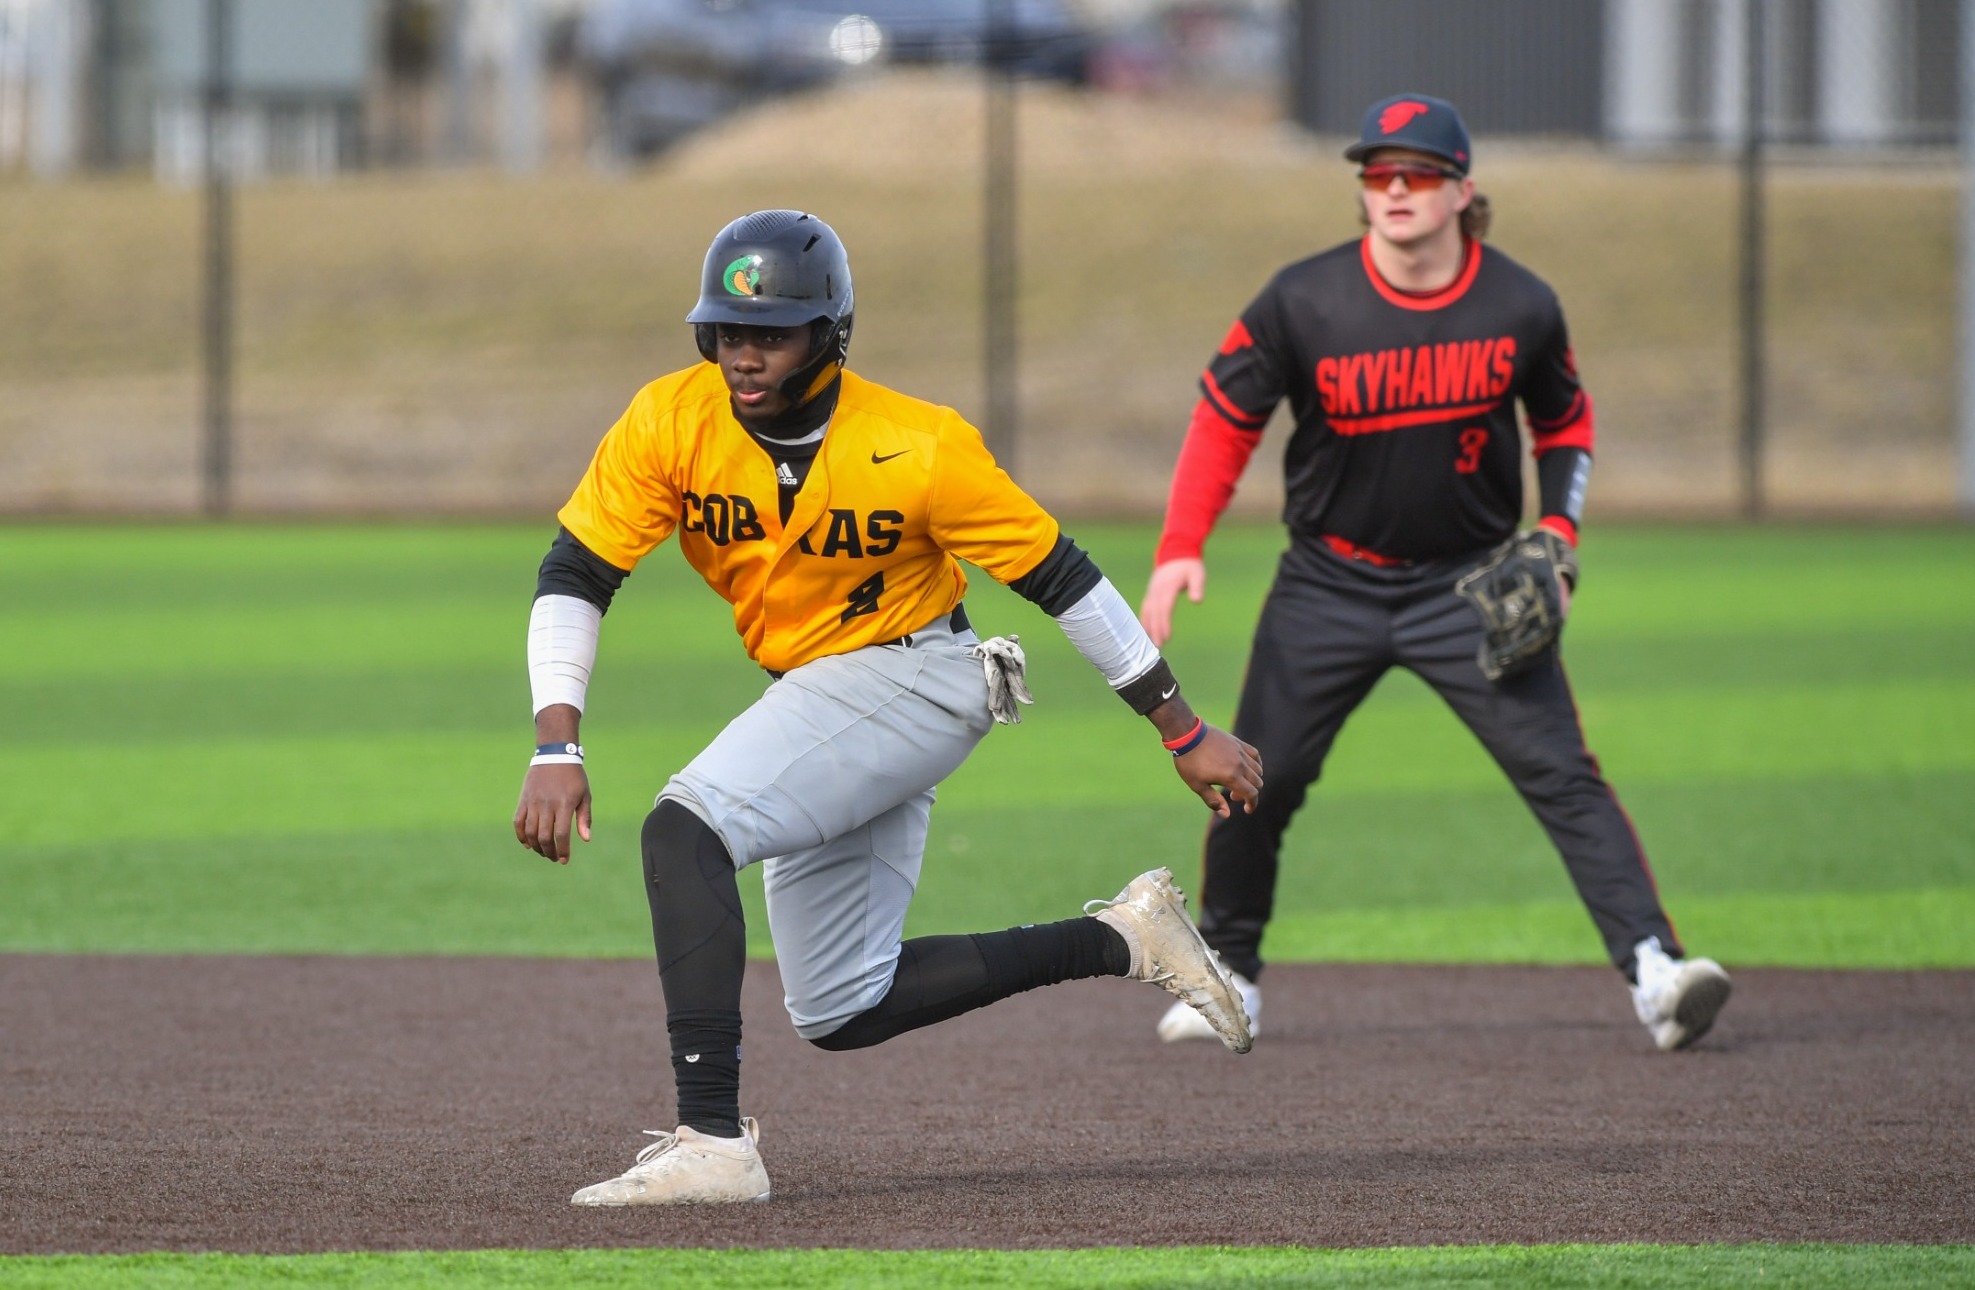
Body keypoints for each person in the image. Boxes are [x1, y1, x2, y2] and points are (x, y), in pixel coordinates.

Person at [513, 209, 1263, 1206]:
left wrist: (1179, 725)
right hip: (820, 691)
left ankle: (713, 1144)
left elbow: (1065, 580)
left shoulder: (919, 444)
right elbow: (576, 572)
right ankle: (1129, 937)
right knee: (842, 1006)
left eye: (771, 332)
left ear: (828, 334)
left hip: (918, 675)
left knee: (681, 831)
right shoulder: (669, 420)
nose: (744, 354)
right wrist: (554, 742)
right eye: (728, 332)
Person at [1138, 94, 1731, 1054]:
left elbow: (1564, 423)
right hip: (1327, 585)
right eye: (1378, 173)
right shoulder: (1303, 300)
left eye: (1417, 172)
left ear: (1462, 190)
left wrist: (1560, 531)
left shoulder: (1520, 304)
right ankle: (1232, 978)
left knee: (1560, 775)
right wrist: (1178, 545)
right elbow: (1223, 420)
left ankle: (1657, 973)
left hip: (1470, 588)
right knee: (1255, 781)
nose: (1396, 188)